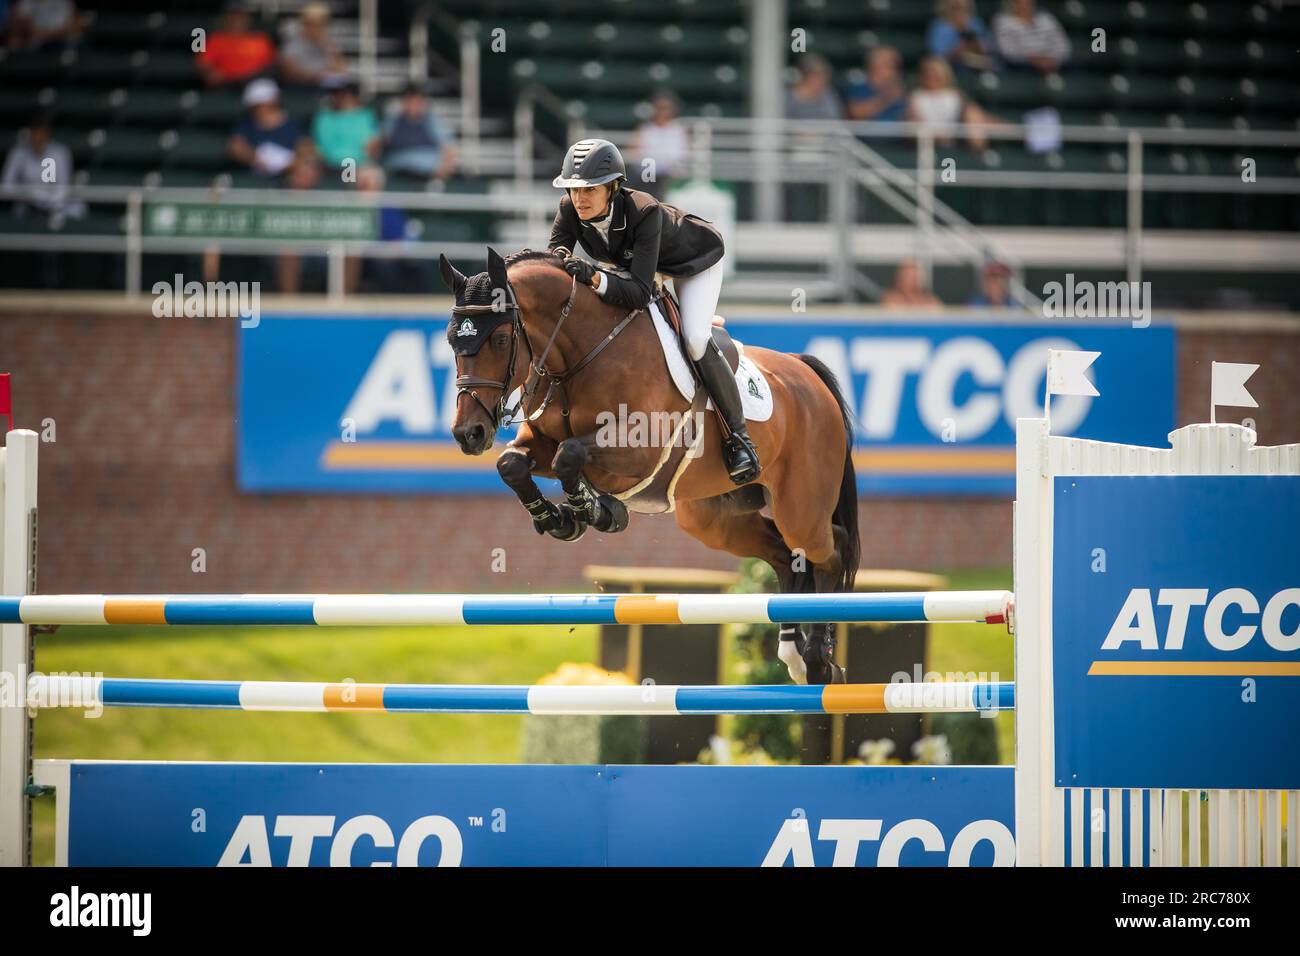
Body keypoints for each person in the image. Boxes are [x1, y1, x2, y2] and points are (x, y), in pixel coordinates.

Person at [546, 139, 759, 485]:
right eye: (573, 189)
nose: (579, 198)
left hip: (692, 263)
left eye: (589, 189)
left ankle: (740, 439)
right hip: (637, 267)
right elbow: (557, 253)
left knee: (694, 338)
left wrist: (595, 277)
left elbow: (640, 292)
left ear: (613, 187)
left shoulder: (643, 211)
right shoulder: (569, 209)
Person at [227, 78, 313, 180]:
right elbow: (235, 147)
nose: (260, 109)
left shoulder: (294, 125)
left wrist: (288, 164)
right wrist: (256, 157)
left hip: (287, 179)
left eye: (261, 105)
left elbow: (306, 149)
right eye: (255, 106)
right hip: (255, 179)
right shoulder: (246, 125)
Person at [1, 113, 84, 218]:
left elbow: (63, 187)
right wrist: (27, 194)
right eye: (34, 132)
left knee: (77, 209)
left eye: (41, 132)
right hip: (27, 204)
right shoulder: (18, 153)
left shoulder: (59, 153)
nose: (37, 137)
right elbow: (7, 186)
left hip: (54, 205)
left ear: (47, 133)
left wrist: (46, 202)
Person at [909, 55, 997, 150]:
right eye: (928, 74)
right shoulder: (916, 96)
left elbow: (976, 115)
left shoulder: (957, 96)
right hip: (926, 141)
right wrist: (937, 136)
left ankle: (980, 153)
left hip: (954, 138)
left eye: (935, 74)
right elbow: (914, 121)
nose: (931, 77)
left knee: (973, 114)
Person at [381, 81, 458, 182]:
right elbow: (378, 146)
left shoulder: (433, 122)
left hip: (428, 174)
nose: (413, 105)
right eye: (410, 100)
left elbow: (450, 149)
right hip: (398, 172)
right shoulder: (392, 121)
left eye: (417, 101)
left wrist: (444, 170)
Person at [196, 2, 276, 88]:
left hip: (255, 85)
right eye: (233, 15)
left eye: (241, 15)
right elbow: (203, 64)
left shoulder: (261, 39)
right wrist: (211, 72)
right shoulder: (216, 39)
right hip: (227, 85)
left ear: (248, 17)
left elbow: (272, 64)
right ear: (226, 17)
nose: (237, 19)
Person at [313, 74, 380, 175]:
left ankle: (349, 184)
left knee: (370, 175)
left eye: (350, 94)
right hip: (327, 163)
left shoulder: (366, 116)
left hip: (358, 163)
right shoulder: (324, 117)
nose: (345, 98)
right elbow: (320, 146)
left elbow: (372, 144)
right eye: (340, 94)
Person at [629, 91, 689, 199]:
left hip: (671, 170)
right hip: (649, 169)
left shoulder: (678, 130)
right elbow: (635, 153)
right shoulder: (645, 129)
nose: (662, 112)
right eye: (659, 108)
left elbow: (683, 154)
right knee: (647, 176)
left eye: (666, 108)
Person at [279, 2, 345, 89]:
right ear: (305, 24)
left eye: (321, 24)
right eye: (312, 23)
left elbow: (340, 70)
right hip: (299, 89)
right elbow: (289, 72)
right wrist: (315, 76)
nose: (316, 28)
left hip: (325, 87)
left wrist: (327, 46)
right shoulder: (293, 42)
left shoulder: (328, 43)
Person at [993, 0, 1070, 74]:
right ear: (1013, 2)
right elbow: (1008, 51)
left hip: (1051, 66)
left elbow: (1063, 47)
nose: (1027, 2)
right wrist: (1034, 60)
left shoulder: (1047, 19)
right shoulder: (1003, 21)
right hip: (1019, 69)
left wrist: (1049, 60)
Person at [928, 0, 995, 73]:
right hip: (950, 68)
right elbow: (936, 57)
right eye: (956, 8)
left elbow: (988, 46)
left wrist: (979, 46)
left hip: (977, 65)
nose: (960, 12)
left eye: (964, 8)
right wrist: (957, 51)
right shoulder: (939, 27)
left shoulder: (975, 23)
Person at [844, 47, 907, 123]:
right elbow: (856, 114)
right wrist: (886, 98)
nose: (893, 69)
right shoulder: (858, 86)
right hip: (867, 133)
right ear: (873, 65)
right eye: (888, 64)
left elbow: (907, 117)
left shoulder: (900, 88)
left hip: (897, 133)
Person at [6, 0, 85, 51]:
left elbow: (75, 24)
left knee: (75, 41)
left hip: (64, 40)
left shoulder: (65, 2)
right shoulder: (27, 3)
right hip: (38, 43)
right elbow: (28, 30)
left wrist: (57, 33)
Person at [784, 55, 842, 122]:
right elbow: (781, 122)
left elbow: (834, 121)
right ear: (807, 76)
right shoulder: (786, 97)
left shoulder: (828, 95)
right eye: (818, 76)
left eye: (824, 77)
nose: (823, 81)